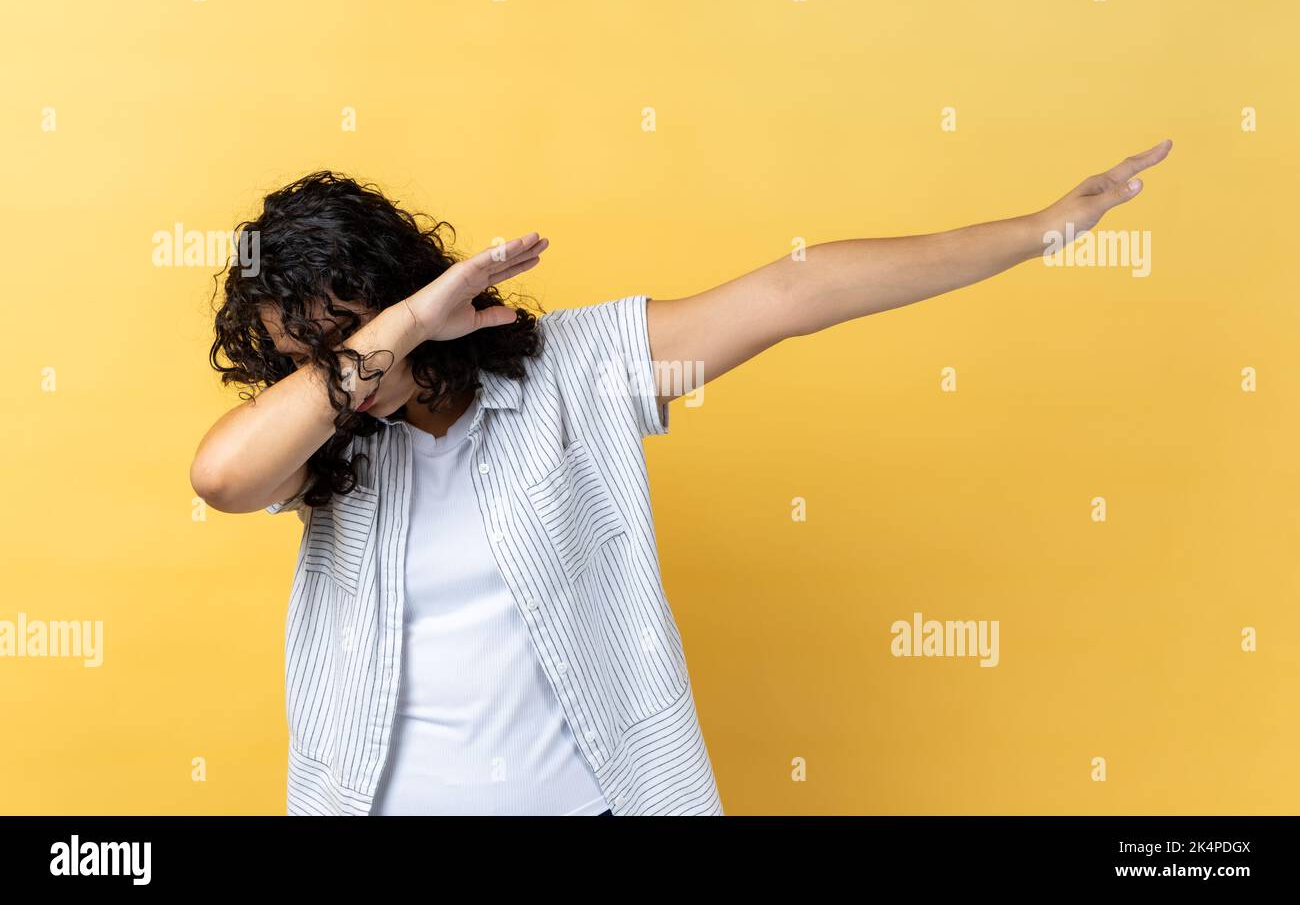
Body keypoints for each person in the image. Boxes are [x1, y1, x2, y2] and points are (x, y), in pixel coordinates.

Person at [191, 139, 1172, 815]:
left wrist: (1042, 225)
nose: (340, 378)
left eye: (348, 335)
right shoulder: (321, 440)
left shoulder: (573, 370)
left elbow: (791, 293)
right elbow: (221, 477)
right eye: (308, 358)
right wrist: (397, 329)